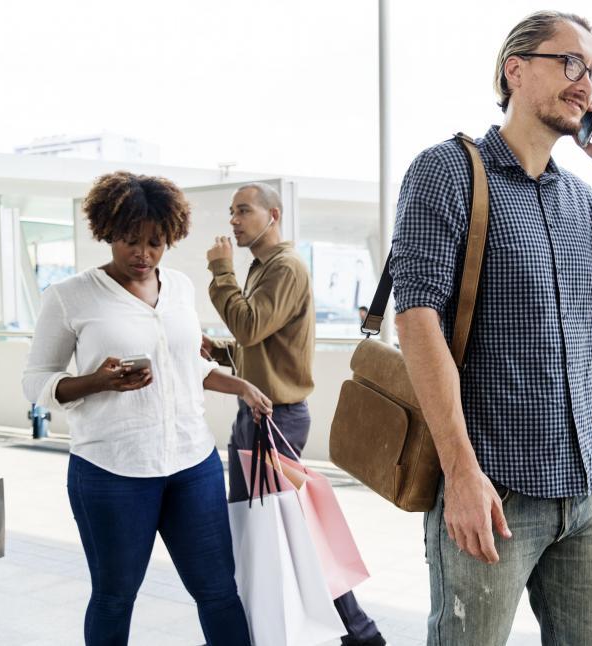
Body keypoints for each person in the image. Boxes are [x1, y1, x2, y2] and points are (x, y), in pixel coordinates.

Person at [391, 11, 592, 645]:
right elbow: (416, 317)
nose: (586, 83)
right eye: (570, 63)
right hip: (493, 489)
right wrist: (460, 473)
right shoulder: (449, 171)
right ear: (514, 70)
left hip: (584, 491)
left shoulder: (579, 199)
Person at [22, 171, 270, 646]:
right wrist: (101, 381)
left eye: (155, 242)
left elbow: (186, 366)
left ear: (170, 238)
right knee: (115, 597)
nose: (143, 254)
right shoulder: (70, 296)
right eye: (129, 240)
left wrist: (239, 385)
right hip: (111, 469)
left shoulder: (178, 287)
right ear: (107, 232)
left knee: (219, 591)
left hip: (191, 464)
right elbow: (36, 381)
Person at [202, 182, 387, 646]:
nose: (234, 221)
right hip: (262, 416)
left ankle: (358, 633)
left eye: (243, 211)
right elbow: (262, 345)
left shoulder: (284, 267)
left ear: (274, 214)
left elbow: (249, 324)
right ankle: (338, 631)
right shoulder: (264, 268)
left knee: (285, 532)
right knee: (269, 531)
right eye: (232, 212)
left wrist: (220, 272)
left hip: (274, 419)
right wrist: (222, 352)